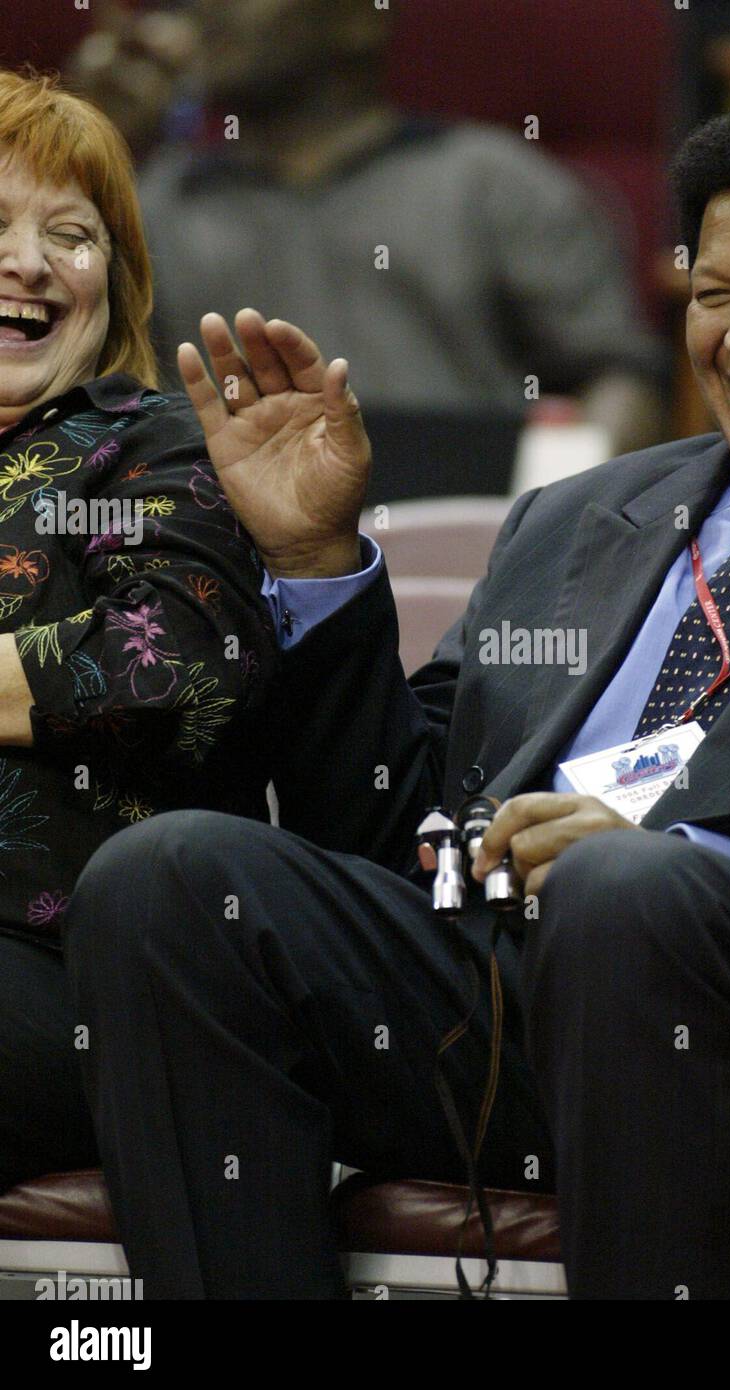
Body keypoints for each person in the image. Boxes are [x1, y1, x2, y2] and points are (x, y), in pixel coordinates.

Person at [64, 88, 730, 1298]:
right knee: (169, 879)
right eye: (712, 296)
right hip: (521, 1013)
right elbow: (397, 833)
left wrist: (708, 854)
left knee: (627, 885)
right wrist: (317, 563)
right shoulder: (580, 516)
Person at [0, 68, 287, 1194]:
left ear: (114, 283)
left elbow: (173, 664)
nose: (27, 261)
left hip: (66, 969)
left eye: (67, 234)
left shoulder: (151, 444)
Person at [121, 0, 667, 458]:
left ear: (361, 18)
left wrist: (558, 511)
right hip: (221, 543)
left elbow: (620, 377)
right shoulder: (155, 200)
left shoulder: (493, 183)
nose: (205, 9)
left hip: (462, 539)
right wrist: (99, 135)